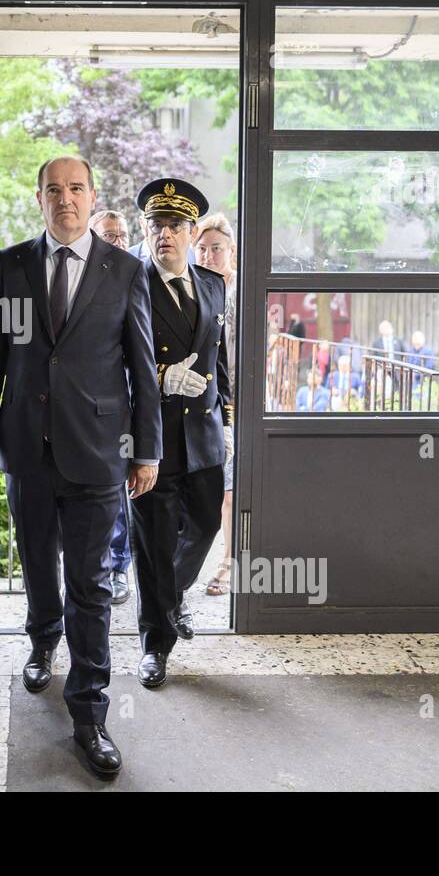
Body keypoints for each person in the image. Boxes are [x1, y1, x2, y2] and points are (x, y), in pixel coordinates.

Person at [0, 155, 160, 779]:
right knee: (37, 561)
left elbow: (141, 369)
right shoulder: (11, 263)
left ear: (92, 195)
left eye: (77, 189)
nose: (66, 199)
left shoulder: (126, 270)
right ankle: (41, 638)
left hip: (100, 453)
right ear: (39, 197)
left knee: (93, 583)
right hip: (26, 448)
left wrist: (148, 449)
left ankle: (89, 714)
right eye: (55, 189)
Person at [128, 178, 230, 686]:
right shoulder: (128, 283)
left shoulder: (214, 284)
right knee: (153, 545)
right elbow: (107, 361)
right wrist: (162, 378)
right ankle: (155, 644)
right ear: (144, 230)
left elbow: (218, 354)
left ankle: (170, 600)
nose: (164, 233)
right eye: (155, 224)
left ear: (193, 232)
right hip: (153, 439)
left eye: (174, 225)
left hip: (205, 436)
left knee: (207, 527)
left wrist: (226, 415)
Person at [89, 209, 134, 604]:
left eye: (122, 235)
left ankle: (118, 569)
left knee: (120, 496)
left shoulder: (132, 274)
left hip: (127, 407)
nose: (117, 241)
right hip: (90, 411)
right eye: (109, 235)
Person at [193, 212, 237, 599]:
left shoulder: (240, 294)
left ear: (232, 253)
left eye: (216, 249)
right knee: (215, 490)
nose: (208, 255)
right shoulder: (195, 289)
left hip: (239, 401)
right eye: (202, 249)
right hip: (207, 402)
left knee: (230, 492)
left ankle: (228, 563)